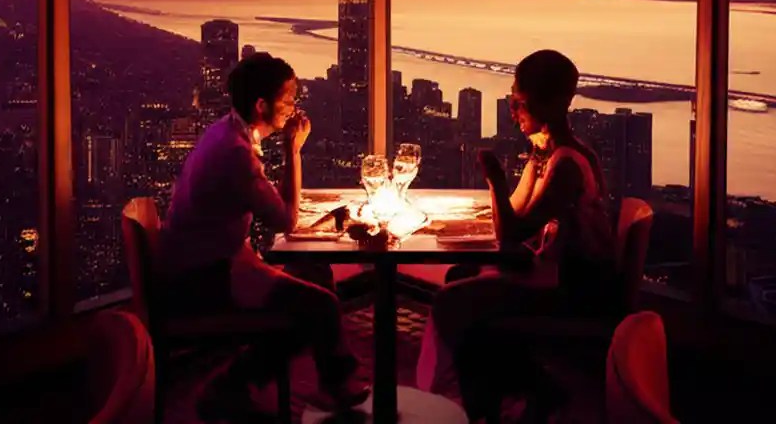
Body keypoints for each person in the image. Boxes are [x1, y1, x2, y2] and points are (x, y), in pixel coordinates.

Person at [161, 52, 369, 419]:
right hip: (206, 278)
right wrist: (293, 149)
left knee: (316, 274)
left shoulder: (225, 131)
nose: (293, 107)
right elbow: (286, 220)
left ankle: (237, 381)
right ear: (261, 104)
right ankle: (331, 384)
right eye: (287, 99)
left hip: (208, 264)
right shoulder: (235, 154)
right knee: (321, 305)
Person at [416, 49, 618, 422]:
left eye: (519, 102)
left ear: (550, 104)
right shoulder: (549, 153)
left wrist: (494, 180)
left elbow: (510, 233)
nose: (513, 112)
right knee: (461, 277)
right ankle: (512, 389)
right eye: (512, 101)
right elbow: (516, 214)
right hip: (553, 274)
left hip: (572, 290)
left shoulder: (567, 165)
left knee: (453, 303)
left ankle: (523, 391)